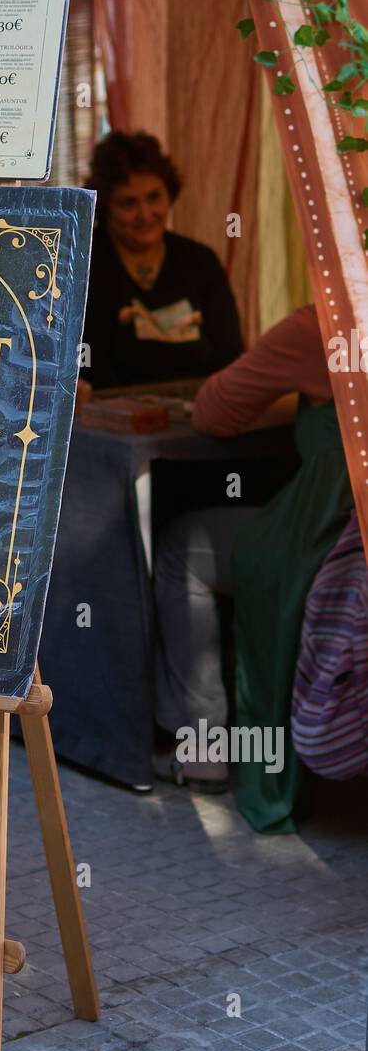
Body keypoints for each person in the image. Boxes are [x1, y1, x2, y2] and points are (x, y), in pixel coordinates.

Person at [153, 304, 353, 831]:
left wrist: (295, 390)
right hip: (352, 551)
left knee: (180, 547)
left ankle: (202, 746)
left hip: (323, 548)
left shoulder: (324, 325)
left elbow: (214, 411)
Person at [81, 131, 243, 391]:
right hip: (113, 420)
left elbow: (231, 359)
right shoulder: (84, 264)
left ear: (170, 195)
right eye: (128, 203)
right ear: (105, 206)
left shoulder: (200, 261)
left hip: (202, 414)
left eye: (154, 197)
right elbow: (90, 370)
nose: (145, 215)